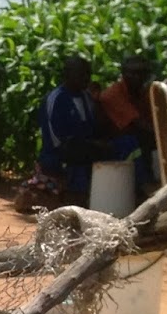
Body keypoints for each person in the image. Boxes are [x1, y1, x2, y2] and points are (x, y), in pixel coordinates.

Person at [16, 56, 106, 211]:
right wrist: (88, 146)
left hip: (84, 148)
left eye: (88, 74)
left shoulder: (86, 97)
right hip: (60, 155)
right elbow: (57, 140)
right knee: (79, 165)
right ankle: (75, 204)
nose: (86, 78)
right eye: (81, 74)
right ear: (67, 75)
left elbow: (93, 127)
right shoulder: (55, 98)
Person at [98, 54, 157, 186]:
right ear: (124, 74)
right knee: (134, 143)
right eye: (134, 73)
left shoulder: (142, 92)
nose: (138, 77)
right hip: (112, 141)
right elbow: (138, 124)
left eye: (142, 73)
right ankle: (145, 184)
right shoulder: (113, 94)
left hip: (133, 137)